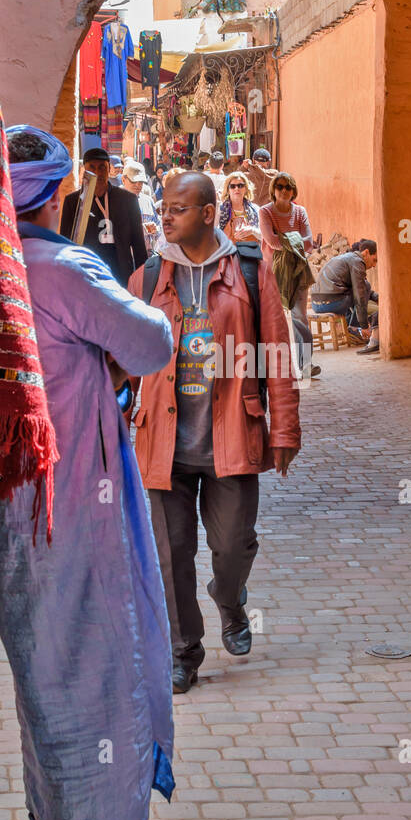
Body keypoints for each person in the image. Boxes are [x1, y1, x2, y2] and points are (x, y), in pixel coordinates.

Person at [0, 125, 181, 820]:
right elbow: (151, 341)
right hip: (73, 507)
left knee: (42, 669)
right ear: (57, 193)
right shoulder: (62, 269)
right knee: (91, 671)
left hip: (5, 506)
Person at [128, 170, 301, 694]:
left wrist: (285, 428)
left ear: (208, 213)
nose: (166, 215)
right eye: (164, 206)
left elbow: (275, 350)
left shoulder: (250, 271)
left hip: (231, 436)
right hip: (164, 444)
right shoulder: (148, 276)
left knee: (230, 549)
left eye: (178, 208)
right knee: (169, 555)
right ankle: (184, 651)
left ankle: (230, 599)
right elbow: (126, 361)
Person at [259, 172, 319, 378]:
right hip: (273, 272)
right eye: (280, 187)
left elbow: (309, 241)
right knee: (274, 319)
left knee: (300, 317)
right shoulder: (265, 212)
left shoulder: (300, 211)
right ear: (273, 190)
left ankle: (306, 364)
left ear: (293, 191)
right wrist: (295, 239)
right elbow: (271, 241)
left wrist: (284, 238)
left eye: (288, 187)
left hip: (298, 270)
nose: (284, 191)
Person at [60, 147, 147, 285]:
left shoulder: (127, 200)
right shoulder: (74, 202)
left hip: (120, 277)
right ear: (84, 170)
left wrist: (143, 283)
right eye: (92, 167)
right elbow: (65, 244)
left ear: (109, 169)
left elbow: (139, 245)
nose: (97, 172)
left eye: (102, 167)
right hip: (85, 277)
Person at [311, 238, 379, 348]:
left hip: (316, 304)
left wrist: (375, 297)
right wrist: (364, 325)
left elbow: (357, 287)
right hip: (329, 303)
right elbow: (360, 294)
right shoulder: (358, 262)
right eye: (374, 260)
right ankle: (354, 329)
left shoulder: (348, 258)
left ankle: (349, 330)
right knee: (364, 287)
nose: (374, 265)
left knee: (354, 290)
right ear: (366, 253)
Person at [121, 157, 161, 251]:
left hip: (146, 259)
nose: (138, 185)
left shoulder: (148, 201)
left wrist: (156, 229)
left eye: (141, 182)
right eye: (134, 181)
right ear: (123, 180)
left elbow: (158, 230)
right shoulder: (114, 201)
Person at [218, 171, 261, 243]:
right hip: (228, 252)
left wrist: (252, 231)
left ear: (246, 189)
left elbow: (264, 236)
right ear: (228, 190)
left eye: (240, 185)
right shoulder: (220, 210)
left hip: (250, 252)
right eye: (232, 186)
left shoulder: (256, 209)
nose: (236, 189)